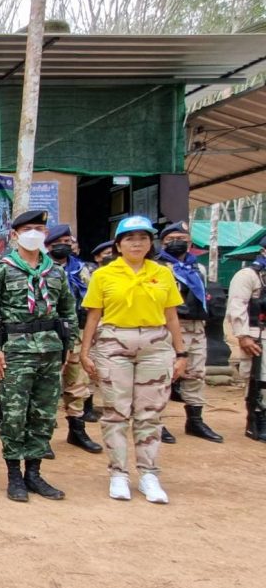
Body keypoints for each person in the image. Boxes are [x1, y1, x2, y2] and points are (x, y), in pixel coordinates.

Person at [80, 215, 186, 503]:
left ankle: (149, 474)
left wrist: (181, 352)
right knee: (115, 410)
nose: (137, 243)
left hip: (155, 344)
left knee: (150, 412)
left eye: (143, 237)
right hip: (114, 342)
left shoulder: (162, 273)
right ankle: (118, 474)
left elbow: (172, 315)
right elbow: (94, 315)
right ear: (118, 244)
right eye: (130, 238)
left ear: (151, 242)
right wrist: (85, 351)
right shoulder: (103, 275)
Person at [0, 210, 75, 503]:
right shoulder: (2, 269)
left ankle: (34, 472)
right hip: (15, 351)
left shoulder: (55, 272)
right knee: (15, 414)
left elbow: (68, 310)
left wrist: (68, 345)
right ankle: (14, 475)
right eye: (28, 228)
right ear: (15, 234)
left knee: (43, 413)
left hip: (50, 349)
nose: (35, 233)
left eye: (40, 228)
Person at [155, 221, 223, 443]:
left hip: (196, 327)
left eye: (182, 239)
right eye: (171, 239)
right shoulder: (158, 268)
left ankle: (195, 420)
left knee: (196, 374)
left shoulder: (198, 268)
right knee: (163, 376)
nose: (177, 243)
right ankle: (157, 422)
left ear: (190, 242)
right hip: (169, 327)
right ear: (162, 243)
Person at [44, 224, 102, 454]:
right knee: (47, 386)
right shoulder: (41, 268)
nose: (65, 246)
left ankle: (76, 430)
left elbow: (94, 303)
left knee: (77, 383)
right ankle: (43, 436)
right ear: (49, 246)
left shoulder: (84, 270)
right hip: (48, 333)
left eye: (69, 242)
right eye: (60, 242)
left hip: (76, 331)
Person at [226, 234, 266, 441]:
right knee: (258, 379)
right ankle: (256, 420)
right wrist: (243, 335)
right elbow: (237, 305)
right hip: (257, 334)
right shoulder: (249, 275)